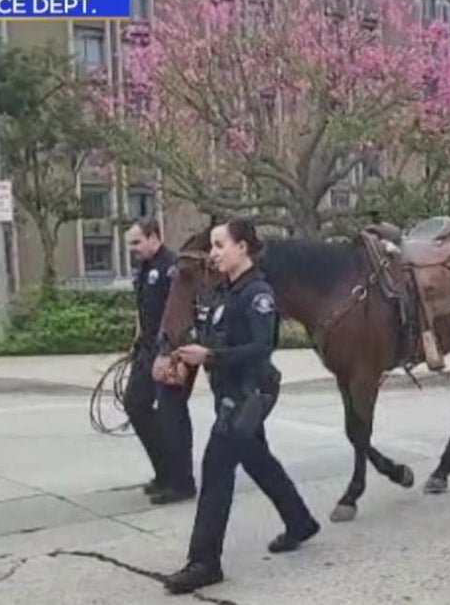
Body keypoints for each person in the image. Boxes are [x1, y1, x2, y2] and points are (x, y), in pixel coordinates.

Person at [163, 219, 320, 594]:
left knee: (216, 468)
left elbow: (262, 348)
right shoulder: (227, 291)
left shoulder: (257, 293)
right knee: (257, 458)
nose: (213, 253)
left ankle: (204, 562)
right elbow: (218, 335)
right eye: (213, 246)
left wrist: (211, 356)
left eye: (220, 245)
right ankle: (300, 521)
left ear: (243, 248)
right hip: (230, 391)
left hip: (248, 393)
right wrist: (188, 354)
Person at [124, 218, 196, 505]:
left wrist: (174, 356)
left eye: (137, 242)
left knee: (172, 415)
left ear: (154, 237)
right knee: (135, 404)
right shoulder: (144, 268)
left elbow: (183, 313)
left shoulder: (173, 267)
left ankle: (182, 481)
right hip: (147, 349)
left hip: (171, 349)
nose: (133, 249)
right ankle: (165, 471)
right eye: (130, 243)